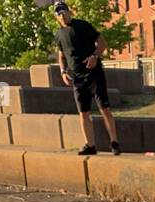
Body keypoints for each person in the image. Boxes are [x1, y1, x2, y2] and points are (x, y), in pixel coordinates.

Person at [52, 1, 120, 156]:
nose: (61, 15)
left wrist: (94, 56)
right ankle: (90, 145)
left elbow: (102, 42)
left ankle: (114, 142)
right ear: (56, 17)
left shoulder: (83, 26)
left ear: (69, 12)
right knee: (83, 113)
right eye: (58, 14)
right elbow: (61, 54)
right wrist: (63, 71)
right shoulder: (58, 34)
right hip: (77, 78)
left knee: (104, 109)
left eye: (63, 12)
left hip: (94, 74)